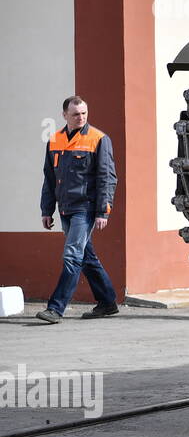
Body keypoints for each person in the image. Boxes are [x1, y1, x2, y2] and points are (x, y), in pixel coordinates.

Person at [35, 96, 119, 324]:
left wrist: (103, 211)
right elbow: (49, 179)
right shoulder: (54, 140)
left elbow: (107, 178)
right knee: (86, 258)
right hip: (65, 209)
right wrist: (46, 209)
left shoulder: (99, 139)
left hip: (86, 208)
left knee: (72, 256)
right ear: (64, 115)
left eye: (84, 113)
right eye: (75, 114)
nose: (80, 117)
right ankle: (108, 302)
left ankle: (55, 308)